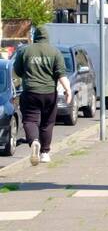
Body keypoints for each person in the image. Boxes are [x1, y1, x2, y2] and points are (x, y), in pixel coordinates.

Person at [12, 24, 72, 165]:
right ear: (47, 37)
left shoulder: (25, 51)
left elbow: (17, 72)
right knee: (47, 123)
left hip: (31, 92)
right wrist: (68, 90)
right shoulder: (55, 52)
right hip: (49, 93)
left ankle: (34, 141)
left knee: (30, 120)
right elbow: (61, 74)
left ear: (34, 37)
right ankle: (45, 152)